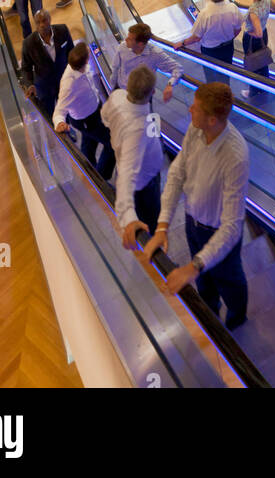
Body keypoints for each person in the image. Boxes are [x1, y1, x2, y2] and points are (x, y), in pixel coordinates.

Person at [146, 82, 250, 330]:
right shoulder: (196, 129)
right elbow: (177, 173)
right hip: (193, 225)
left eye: (196, 107)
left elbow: (232, 226)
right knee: (205, 282)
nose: (190, 108)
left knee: (231, 281)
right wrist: (162, 226)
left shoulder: (235, 156)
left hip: (217, 233)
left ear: (213, 120)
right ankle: (210, 315)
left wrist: (193, 267)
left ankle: (237, 319)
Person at [102, 65, 164, 243]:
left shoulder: (116, 97)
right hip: (144, 185)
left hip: (143, 175)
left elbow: (105, 117)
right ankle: (153, 252)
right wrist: (128, 218)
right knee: (151, 222)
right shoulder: (137, 129)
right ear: (152, 92)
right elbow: (127, 177)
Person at [53, 42, 115, 178]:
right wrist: (59, 123)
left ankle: (88, 171)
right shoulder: (68, 84)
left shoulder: (84, 65)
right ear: (84, 61)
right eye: (89, 54)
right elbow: (59, 110)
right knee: (113, 144)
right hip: (85, 120)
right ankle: (102, 178)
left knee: (89, 143)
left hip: (95, 110)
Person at [175, 0, 242, 84]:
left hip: (210, 51)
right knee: (225, 74)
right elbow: (238, 29)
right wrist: (229, 38)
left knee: (210, 75)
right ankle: (224, 93)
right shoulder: (233, 8)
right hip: (228, 47)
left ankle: (212, 94)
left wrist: (182, 43)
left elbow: (196, 37)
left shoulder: (205, 14)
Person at [21, 11, 75, 117]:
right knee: (48, 115)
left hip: (64, 82)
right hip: (44, 88)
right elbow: (25, 68)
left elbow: (71, 52)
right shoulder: (28, 43)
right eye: (38, 22)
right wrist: (29, 84)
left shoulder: (62, 30)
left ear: (50, 20)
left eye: (44, 20)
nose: (42, 25)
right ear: (35, 24)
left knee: (66, 112)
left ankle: (67, 131)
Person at [110, 22, 183, 97]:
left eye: (130, 39)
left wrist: (170, 85)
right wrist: (112, 89)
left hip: (142, 96)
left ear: (140, 44)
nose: (126, 40)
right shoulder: (122, 47)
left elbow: (177, 68)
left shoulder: (155, 54)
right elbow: (115, 68)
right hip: (122, 90)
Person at [241, 0, 275, 89]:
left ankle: (253, 89)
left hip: (252, 39)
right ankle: (265, 82)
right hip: (264, 34)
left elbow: (258, 33)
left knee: (253, 63)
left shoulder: (253, 11)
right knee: (262, 61)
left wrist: (248, 33)